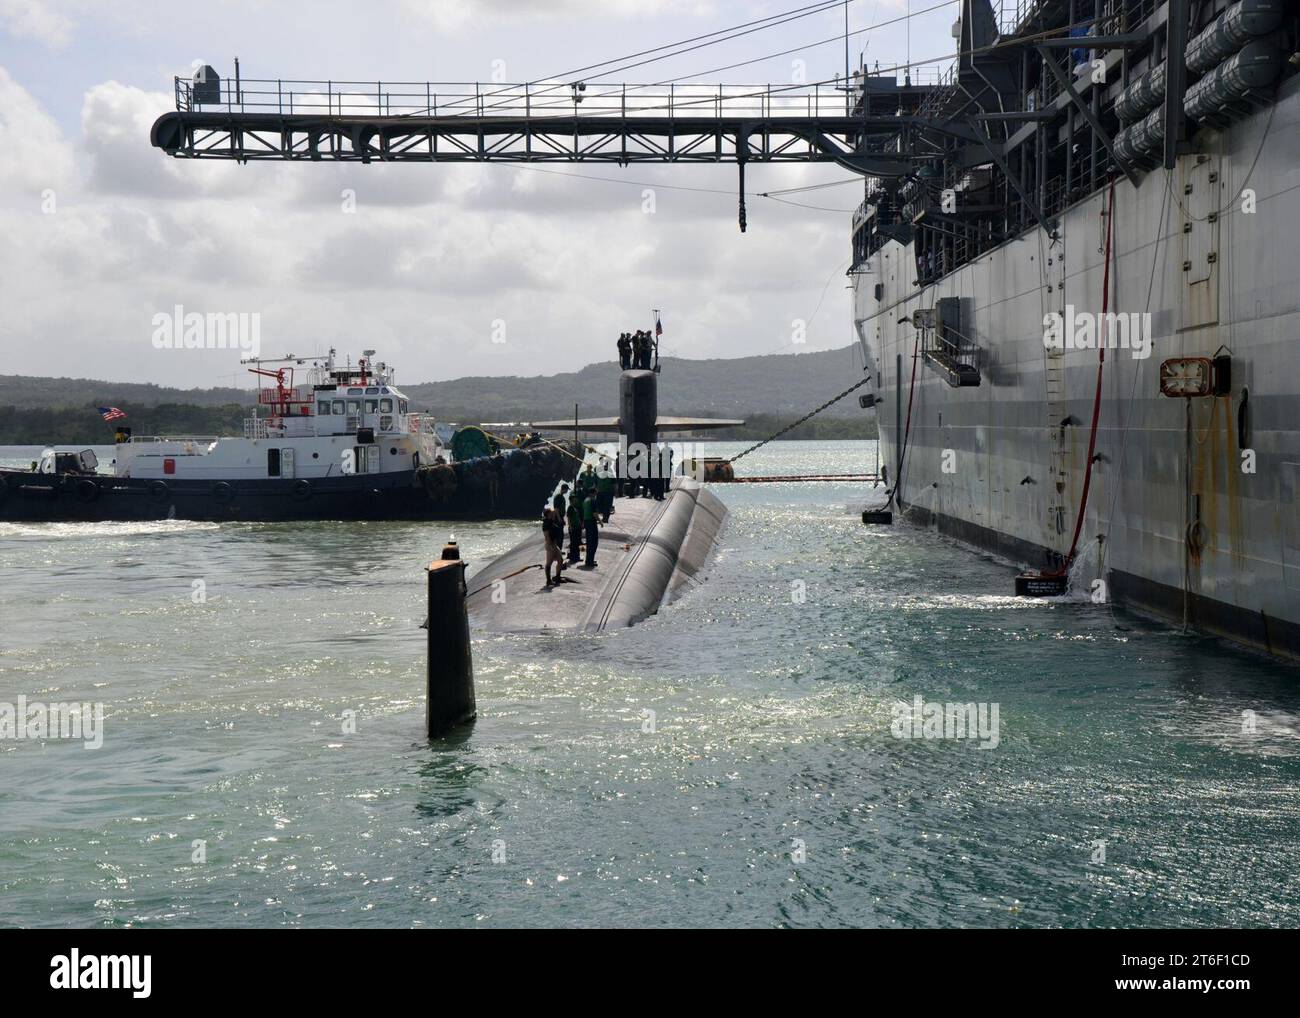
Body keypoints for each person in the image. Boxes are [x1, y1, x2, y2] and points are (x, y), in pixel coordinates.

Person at [542, 507, 565, 585]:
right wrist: (550, 546)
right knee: (549, 563)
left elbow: (560, 521)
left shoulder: (552, 521)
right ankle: (548, 580)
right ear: (548, 515)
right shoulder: (546, 524)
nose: (553, 513)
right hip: (550, 545)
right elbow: (547, 536)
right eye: (551, 513)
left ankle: (557, 577)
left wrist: (556, 512)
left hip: (554, 544)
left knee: (560, 560)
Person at [582, 488, 600, 568]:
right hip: (592, 523)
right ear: (593, 493)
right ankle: (590, 561)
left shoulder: (585, 500)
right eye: (596, 494)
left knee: (589, 542)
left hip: (586, 522)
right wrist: (600, 521)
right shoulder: (592, 500)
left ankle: (588, 560)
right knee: (594, 542)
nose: (596, 496)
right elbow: (594, 513)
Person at [566, 494, 583, 564]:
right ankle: (574, 557)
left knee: (576, 542)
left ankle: (576, 556)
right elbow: (569, 518)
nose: (576, 500)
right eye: (575, 499)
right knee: (574, 543)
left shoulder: (574, 507)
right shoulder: (570, 507)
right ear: (572, 500)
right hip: (574, 528)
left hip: (577, 527)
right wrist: (570, 527)